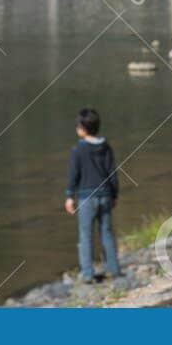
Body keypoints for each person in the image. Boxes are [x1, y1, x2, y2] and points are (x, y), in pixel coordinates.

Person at [64, 107, 120, 284]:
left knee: (86, 236)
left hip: (86, 197)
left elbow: (74, 175)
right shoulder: (106, 147)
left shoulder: (78, 150)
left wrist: (69, 195)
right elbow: (113, 173)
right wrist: (115, 194)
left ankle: (88, 274)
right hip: (105, 195)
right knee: (107, 233)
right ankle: (114, 269)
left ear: (82, 128)